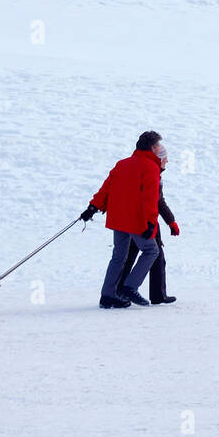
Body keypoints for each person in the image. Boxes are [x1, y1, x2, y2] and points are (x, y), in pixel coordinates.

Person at [81, 131, 165, 308]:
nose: (161, 149)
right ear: (152, 148)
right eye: (158, 146)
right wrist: (150, 222)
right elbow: (149, 198)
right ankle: (130, 287)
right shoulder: (150, 167)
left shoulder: (122, 164)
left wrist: (92, 207)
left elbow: (106, 188)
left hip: (118, 219)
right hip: (136, 220)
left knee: (119, 256)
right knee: (151, 251)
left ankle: (107, 296)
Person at [116, 142, 179, 305]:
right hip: (145, 221)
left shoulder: (138, 168)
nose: (167, 162)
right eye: (165, 159)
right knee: (156, 255)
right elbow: (158, 202)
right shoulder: (152, 172)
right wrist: (171, 222)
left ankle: (119, 291)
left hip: (129, 219)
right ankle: (156, 295)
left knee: (129, 256)